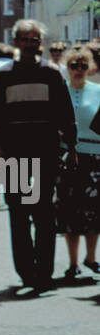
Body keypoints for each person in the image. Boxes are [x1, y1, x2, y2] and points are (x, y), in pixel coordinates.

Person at [0, 18, 77, 294]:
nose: (29, 43)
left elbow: (65, 112)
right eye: (25, 39)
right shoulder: (4, 76)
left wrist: (71, 148)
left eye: (34, 39)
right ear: (16, 42)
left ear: (40, 43)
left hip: (45, 153)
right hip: (14, 155)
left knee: (45, 213)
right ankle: (26, 271)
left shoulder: (52, 74)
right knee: (19, 214)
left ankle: (44, 273)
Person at [57, 46, 100, 280]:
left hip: (95, 155)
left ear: (90, 67)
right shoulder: (60, 90)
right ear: (68, 67)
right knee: (68, 209)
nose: (79, 70)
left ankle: (91, 258)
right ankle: (73, 263)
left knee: (93, 210)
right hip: (68, 157)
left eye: (84, 65)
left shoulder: (98, 91)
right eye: (74, 65)